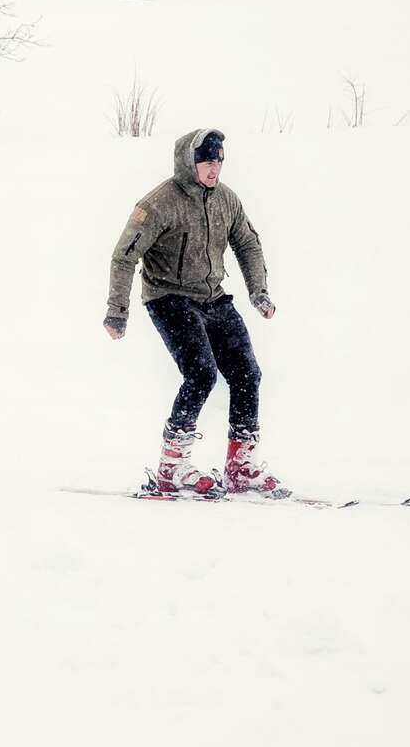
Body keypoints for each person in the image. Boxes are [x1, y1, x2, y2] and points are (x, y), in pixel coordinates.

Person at [106, 128, 283, 497]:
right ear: (189, 162)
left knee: (247, 373)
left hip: (212, 297)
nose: (214, 168)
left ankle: (240, 465)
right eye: (206, 160)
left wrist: (259, 291)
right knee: (201, 372)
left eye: (218, 160)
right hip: (168, 297)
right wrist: (117, 311)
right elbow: (125, 256)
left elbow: (247, 243)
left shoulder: (227, 201)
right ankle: (171, 465)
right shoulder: (158, 203)